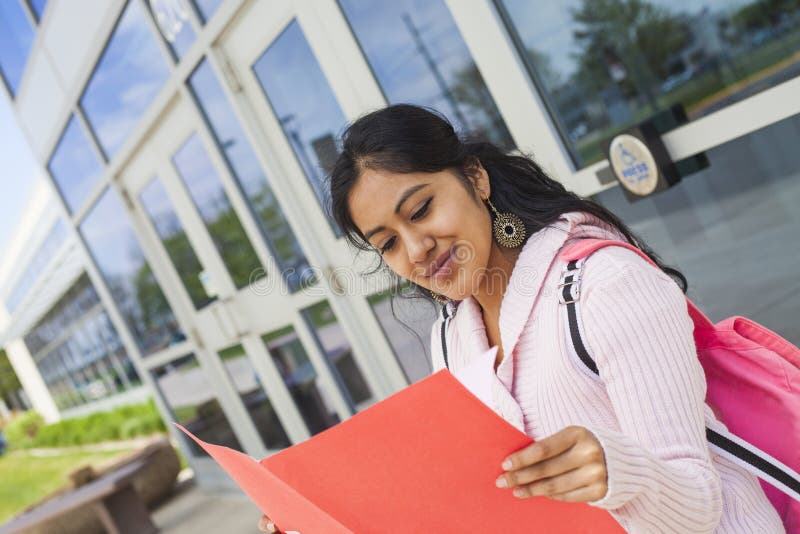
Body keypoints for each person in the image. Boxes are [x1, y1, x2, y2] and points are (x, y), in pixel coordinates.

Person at [258, 104, 784, 533]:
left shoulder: (607, 287)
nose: (416, 249)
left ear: (475, 177)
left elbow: (697, 507)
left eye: (420, 210)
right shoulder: (451, 340)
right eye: (388, 243)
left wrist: (617, 472)